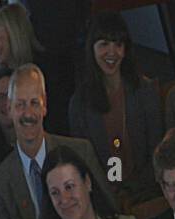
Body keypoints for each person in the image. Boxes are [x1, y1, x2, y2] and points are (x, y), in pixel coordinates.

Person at [0, 65, 110, 219]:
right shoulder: (0, 181)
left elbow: (109, 213)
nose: (28, 114)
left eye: (34, 103)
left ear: (44, 105)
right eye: (20, 104)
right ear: (9, 108)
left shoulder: (81, 151)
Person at [68, 12, 164, 204]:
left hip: (148, 193)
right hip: (102, 199)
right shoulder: (79, 103)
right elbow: (82, 162)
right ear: (92, 48)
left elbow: (158, 151)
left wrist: (132, 190)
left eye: (118, 44)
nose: (112, 52)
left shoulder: (145, 91)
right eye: (104, 44)